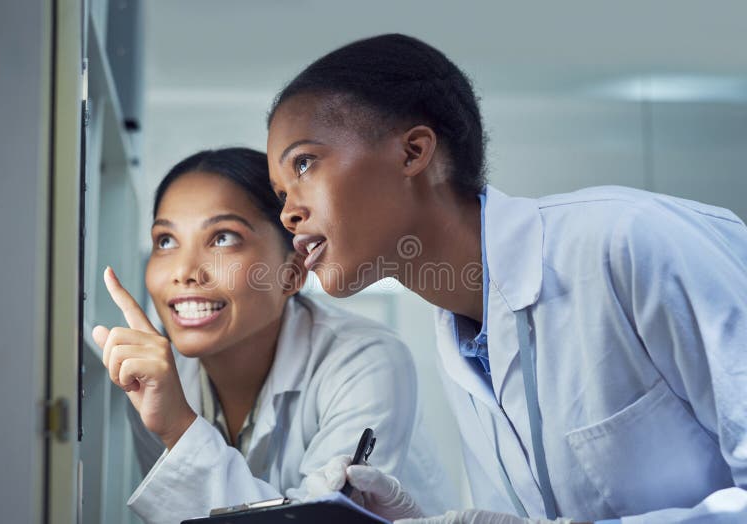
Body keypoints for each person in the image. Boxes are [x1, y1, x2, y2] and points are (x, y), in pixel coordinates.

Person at [265, 34, 747, 523]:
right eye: (281, 193)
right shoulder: (462, 338)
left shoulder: (629, 240)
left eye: (304, 163)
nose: (287, 214)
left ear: (412, 152)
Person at [91, 148, 454, 524]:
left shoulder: (366, 360)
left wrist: (179, 429)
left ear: (292, 273)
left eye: (223, 238)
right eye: (165, 241)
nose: (183, 271)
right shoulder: (156, 380)